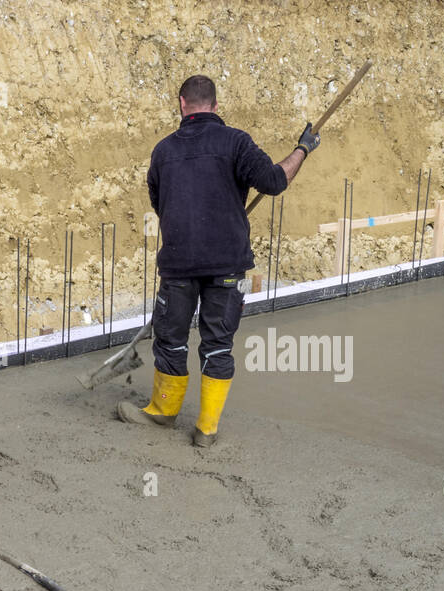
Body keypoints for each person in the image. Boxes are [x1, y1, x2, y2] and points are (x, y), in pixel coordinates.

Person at [118, 75, 319, 445]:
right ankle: (206, 429)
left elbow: (158, 202)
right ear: (215, 104)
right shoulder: (236, 143)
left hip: (178, 264)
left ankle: (163, 412)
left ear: (182, 104)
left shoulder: (163, 151)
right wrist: (302, 148)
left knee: (171, 339)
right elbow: (274, 181)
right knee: (218, 345)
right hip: (229, 265)